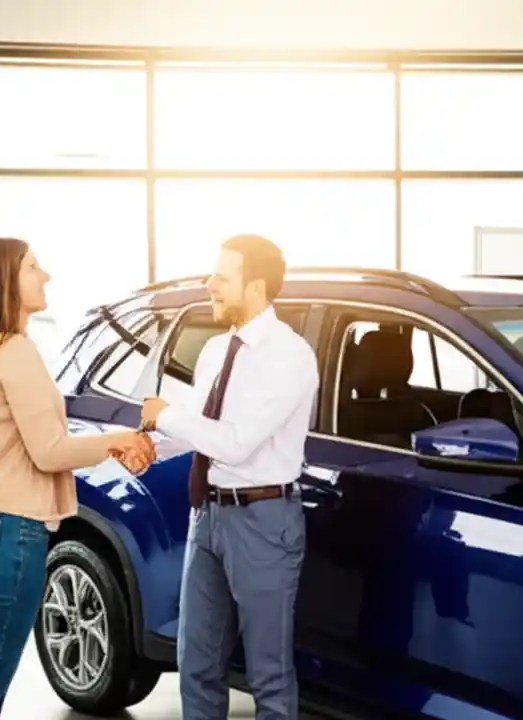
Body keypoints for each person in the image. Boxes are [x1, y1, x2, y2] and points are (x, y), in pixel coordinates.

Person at [0, 236, 155, 719]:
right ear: (3, 282)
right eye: (32, 267)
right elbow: (50, 451)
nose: (46, 275)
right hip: (9, 533)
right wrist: (118, 440)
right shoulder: (13, 350)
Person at [140, 234, 318, 720]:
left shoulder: (290, 356)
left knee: (269, 676)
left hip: (263, 521)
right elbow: (204, 427)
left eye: (222, 276)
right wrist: (150, 446)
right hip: (208, 516)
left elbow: (237, 441)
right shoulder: (218, 349)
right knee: (195, 663)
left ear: (255, 286)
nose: (209, 284)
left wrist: (163, 414)